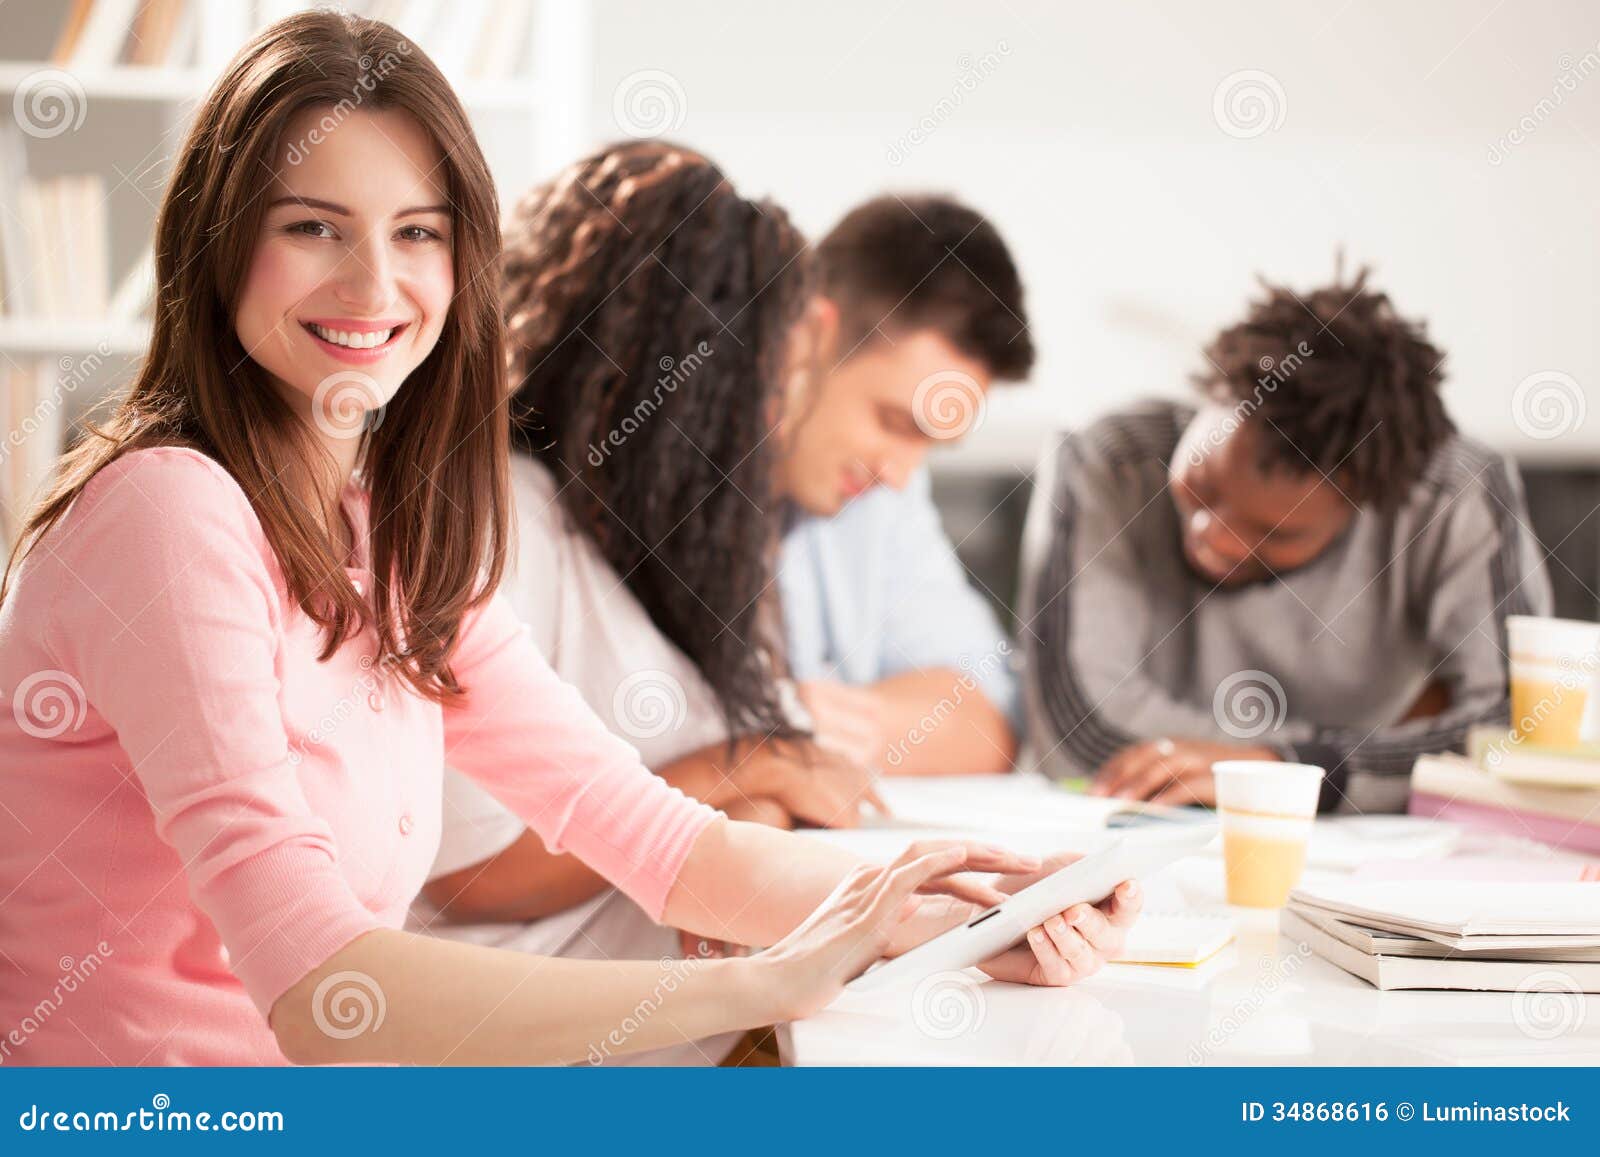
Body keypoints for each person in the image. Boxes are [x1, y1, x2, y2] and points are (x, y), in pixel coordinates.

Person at [0, 13, 1140, 1067]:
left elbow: (656, 835)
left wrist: (953, 916)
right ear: (216, 246)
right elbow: (317, 985)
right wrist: (758, 984)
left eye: (417, 234)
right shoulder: (168, 510)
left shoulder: (392, 529)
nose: (374, 282)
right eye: (312, 228)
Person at [1020, 268, 1553, 813]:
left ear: (1370, 508)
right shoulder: (1105, 462)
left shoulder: (1453, 498)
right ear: (1207, 391)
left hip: (1369, 857)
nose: (1214, 539)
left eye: (1274, 534)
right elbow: (1077, 735)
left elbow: (1514, 733)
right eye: (1202, 485)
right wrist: (1372, 766)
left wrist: (1292, 769)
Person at [776, 195, 1034, 776]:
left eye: (929, 444)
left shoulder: (880, 495)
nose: (900, 474)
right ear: (808, 338)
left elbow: (990, 712)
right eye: (895, 423)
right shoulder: (673, 478)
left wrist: (824, 730)